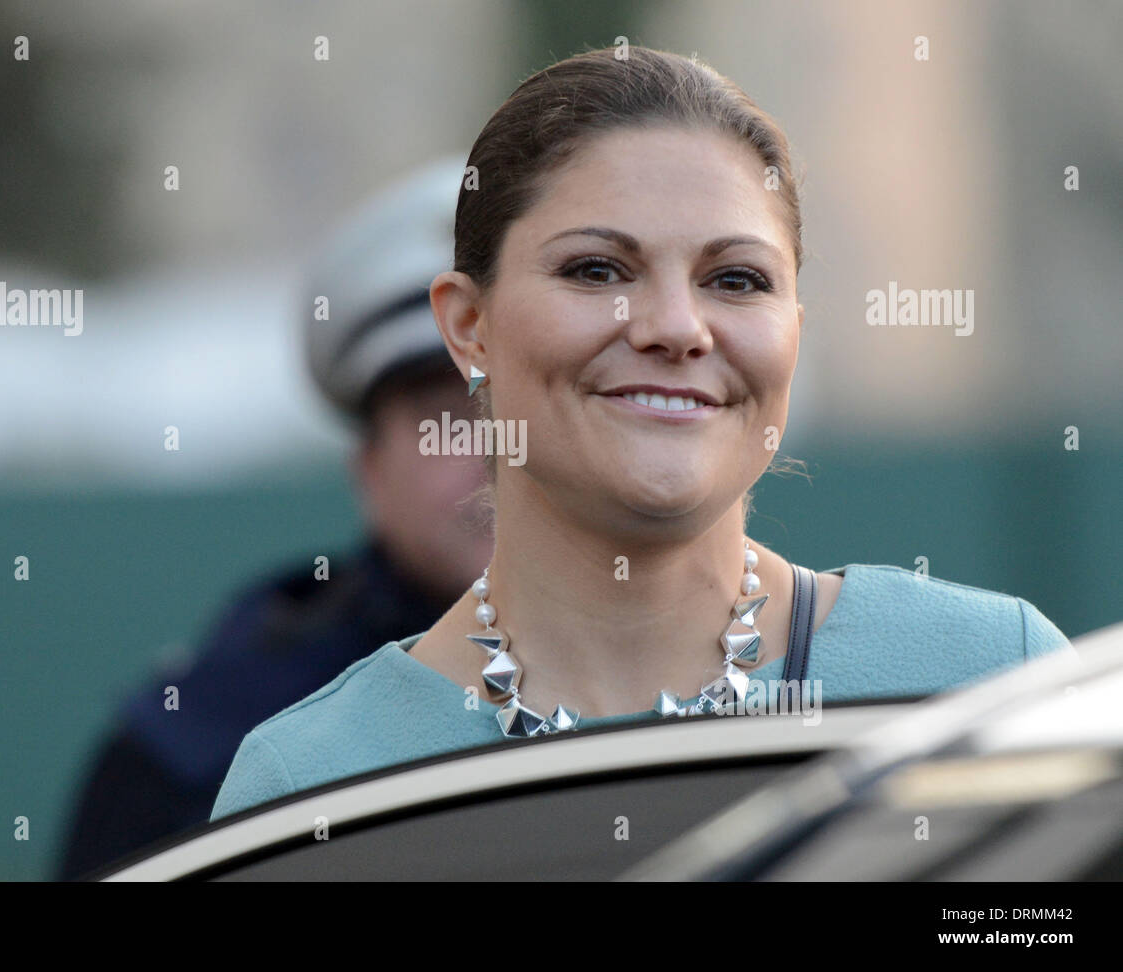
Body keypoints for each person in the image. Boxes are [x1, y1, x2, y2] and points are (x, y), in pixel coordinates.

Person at [210, 47, 1073, 821]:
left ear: (794, 333)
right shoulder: (312, 785)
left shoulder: (990, 678)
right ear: (470, 325)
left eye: (736, 279)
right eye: (597, 270)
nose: (675, 326)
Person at [56, 158, 493, 879]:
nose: (493, 450)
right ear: (370, 474)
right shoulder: (194, 751)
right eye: (442, 416)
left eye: (513, 403)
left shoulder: (723, 673)